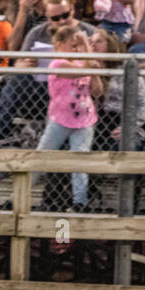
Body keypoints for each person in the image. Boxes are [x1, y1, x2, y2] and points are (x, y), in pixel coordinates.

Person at [0, 0, 95, 143]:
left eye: (65, 15)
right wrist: (26, 64)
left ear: (72, 9)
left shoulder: (88, 32)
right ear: (47, 15)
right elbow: (18, 62)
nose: (62, 21)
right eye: (55, 18)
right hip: (43, 86)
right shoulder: (37, 32)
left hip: (77, 91)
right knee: (17, 80)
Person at [39, 26, 104, 212]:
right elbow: (85, 69)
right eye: (72, 46)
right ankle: (15, 197)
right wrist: (85, 47)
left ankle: (79, 202)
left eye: (78, 46)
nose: (76, 50)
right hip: (61, 119)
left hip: (84, 119)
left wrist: (91, 65)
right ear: (59, 46)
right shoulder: (57, 64)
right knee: (40, 157)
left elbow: (97, 90)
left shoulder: (81, 62)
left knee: (79, 162)